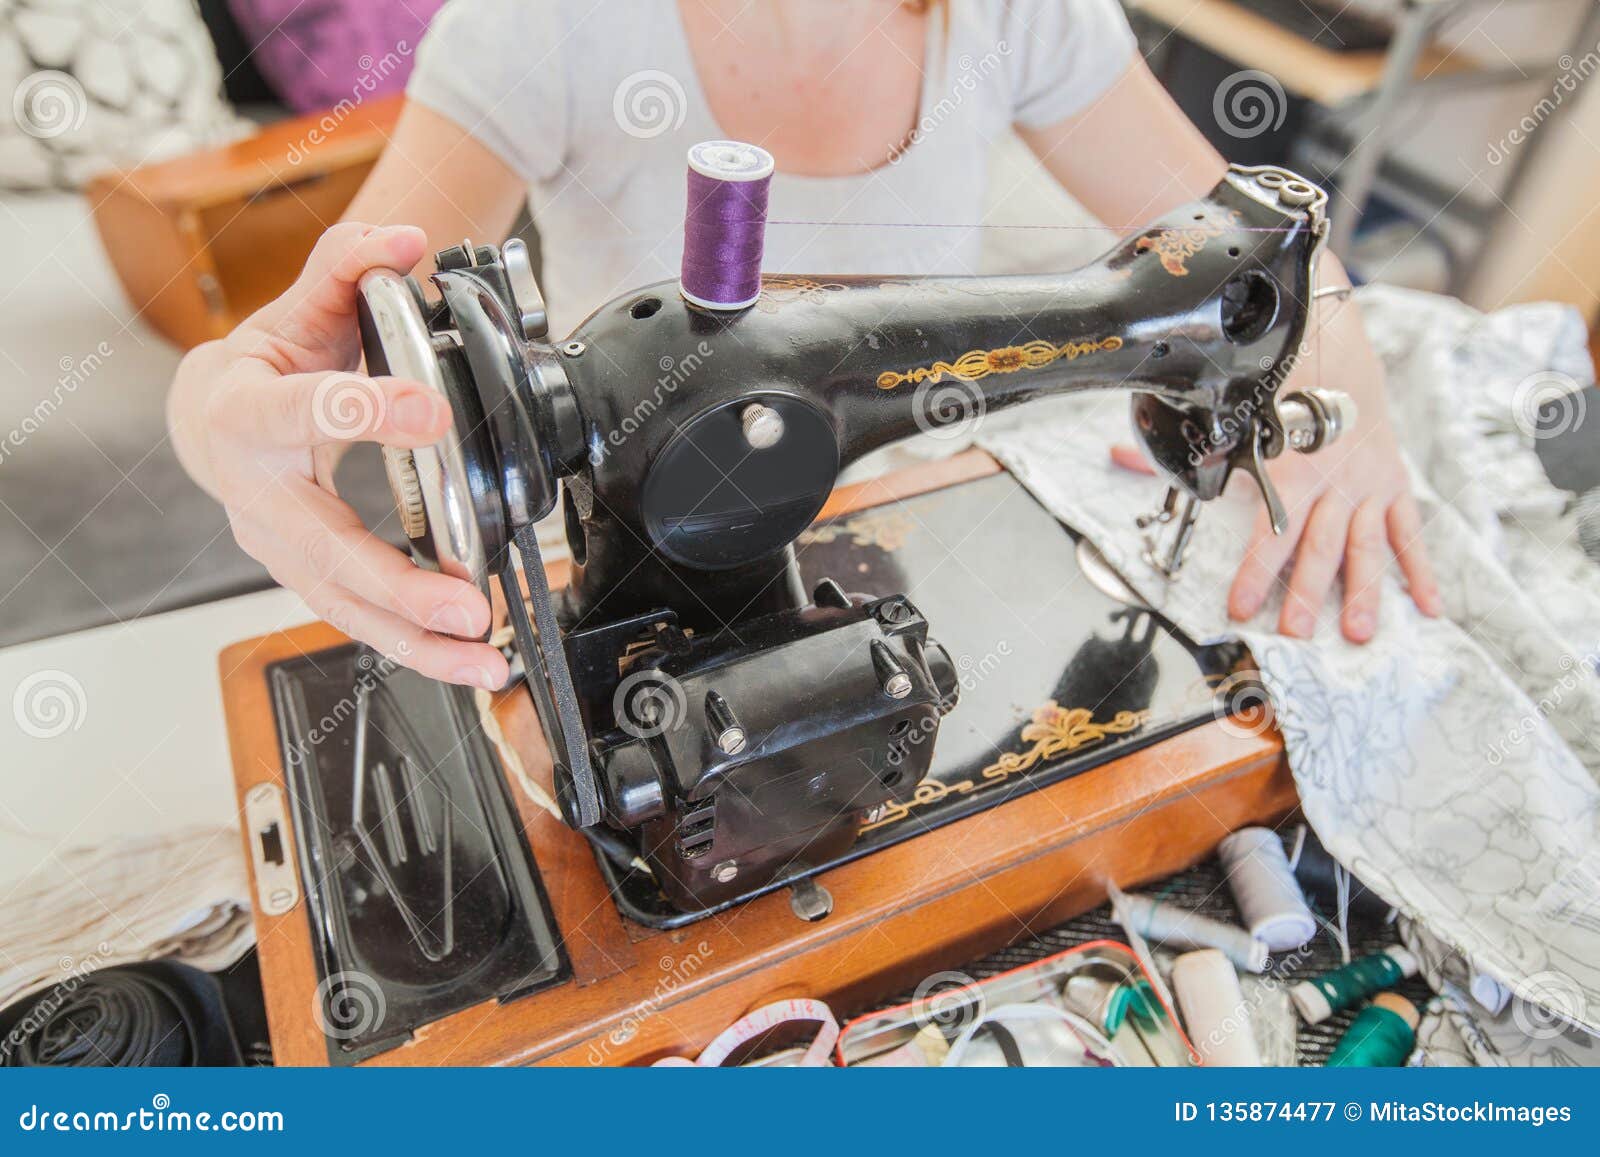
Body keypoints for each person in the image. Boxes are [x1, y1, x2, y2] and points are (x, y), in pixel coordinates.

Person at [167, 0, 1439, 690]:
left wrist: (1349, 396)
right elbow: (313, 368)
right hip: (656, 567)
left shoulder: (1022, 16)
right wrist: (217, 423)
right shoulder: (542, 29)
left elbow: (1252, 250)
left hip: (914, 527)